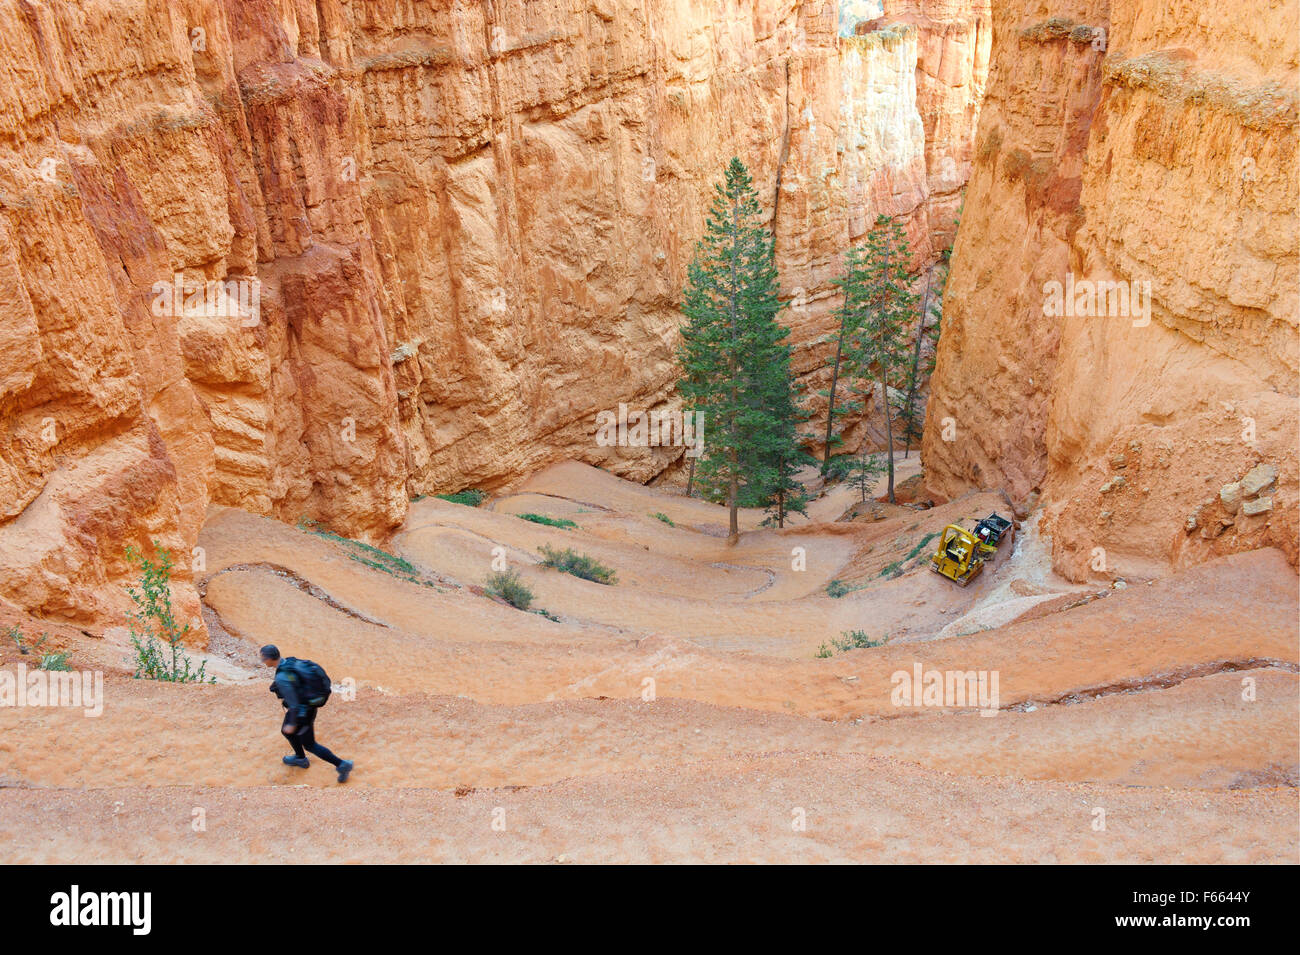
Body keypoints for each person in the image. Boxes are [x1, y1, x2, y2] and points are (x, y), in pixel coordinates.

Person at [260, 644, 353, 783]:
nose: (262, 661)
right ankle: (300, 758)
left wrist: (292, 723)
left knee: (309, 744)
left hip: (303, 712)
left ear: (269, 659)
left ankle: (342, 765)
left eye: (263, 659)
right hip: (308, 704)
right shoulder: (289, 662)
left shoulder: (282, 677)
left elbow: (294, 704)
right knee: (286, 732)